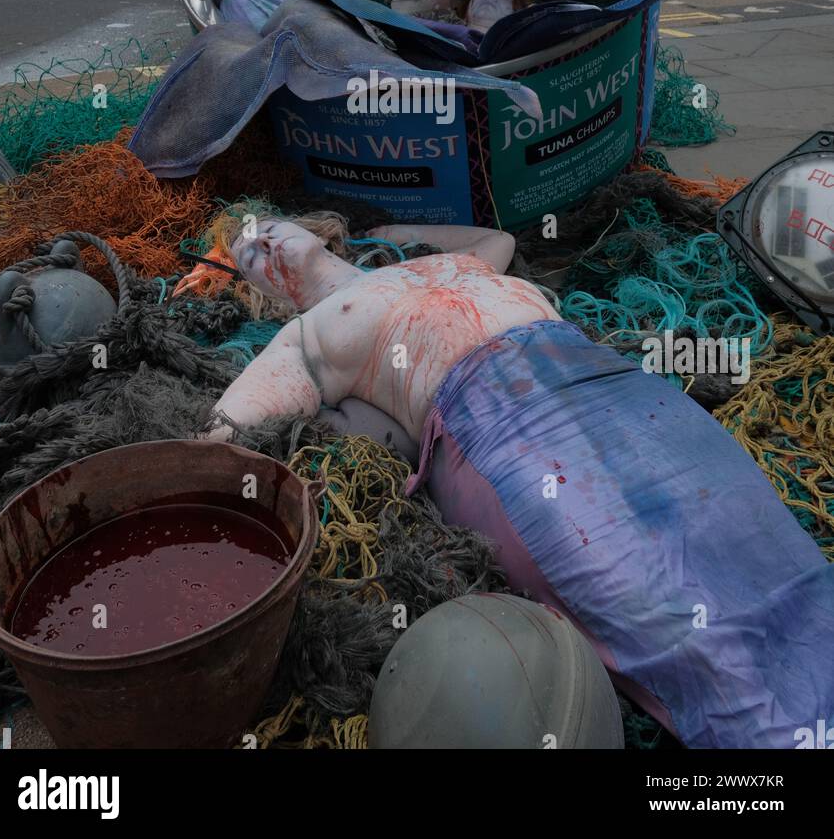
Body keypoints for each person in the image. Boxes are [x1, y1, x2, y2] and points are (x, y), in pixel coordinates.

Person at [185, 209, 834, 750]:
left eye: (267, 227)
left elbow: (492, 238)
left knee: (747, 529)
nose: (266, 241)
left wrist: (381, 231)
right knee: (654, 599)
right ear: (267, 287)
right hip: (497, 423)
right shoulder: (311, 335)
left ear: (316, 231)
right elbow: (225, 433)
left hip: (610, 382)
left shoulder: (450, 263)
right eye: (252, 253)